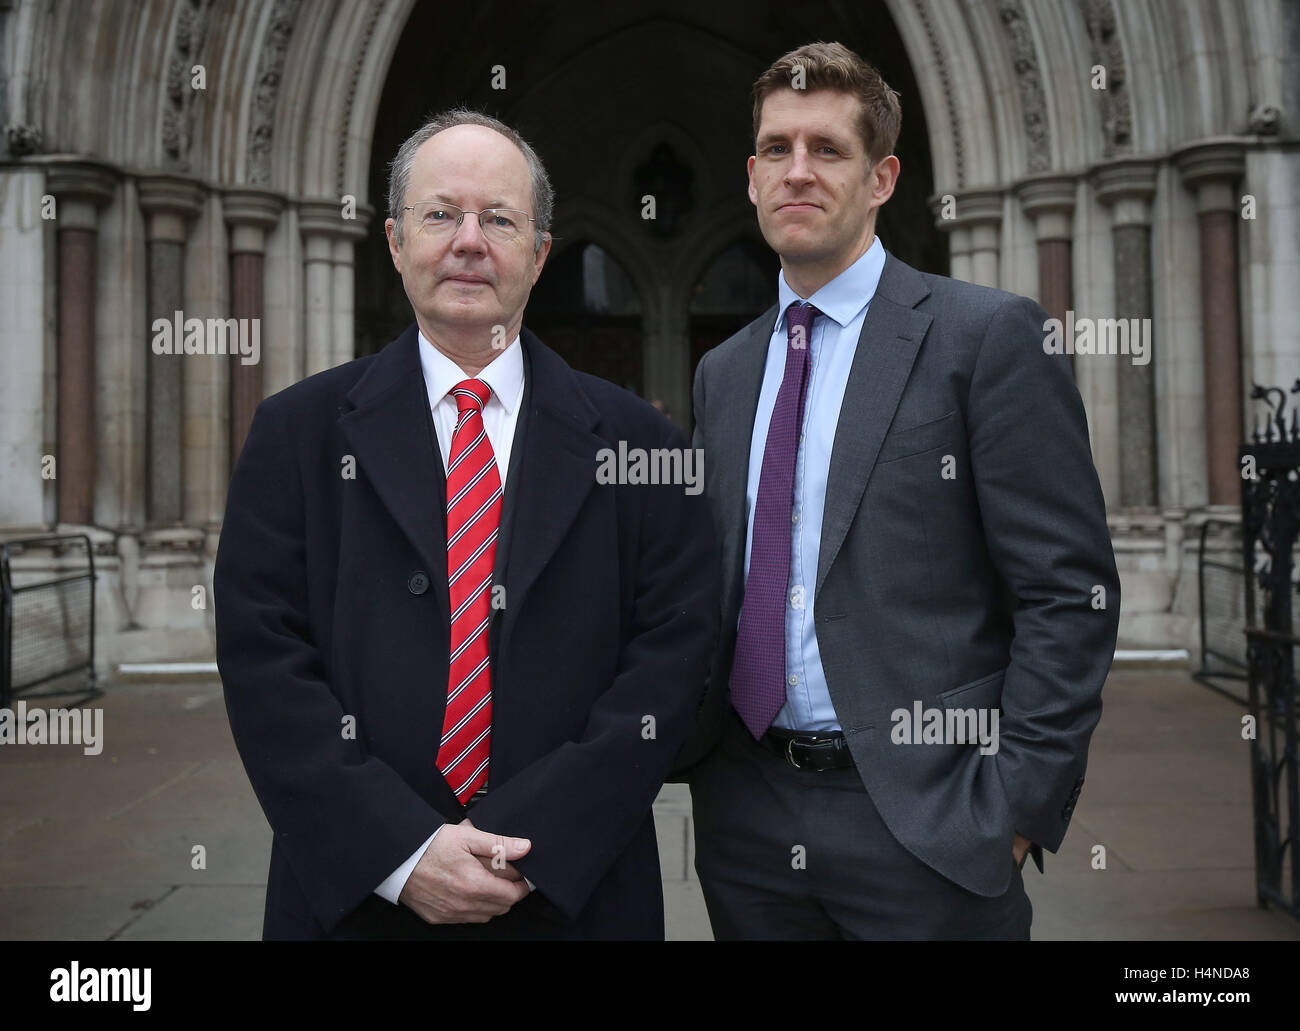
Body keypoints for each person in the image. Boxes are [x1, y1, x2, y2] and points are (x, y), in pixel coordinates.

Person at [214, 108, 718, 940]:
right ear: (393, 239)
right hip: (354, 898)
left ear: (540, 252)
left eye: (500, 219)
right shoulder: (296, 434)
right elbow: (263, 660)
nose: (469, 241)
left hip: (573, 896)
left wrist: (528, 845)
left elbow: (671, 664)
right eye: (441, 213)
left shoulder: (645, 447)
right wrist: (403, 854)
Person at [674, 41, 1120, 939]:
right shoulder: (724, 372)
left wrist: (1015, 810)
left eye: (827, 150)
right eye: (776, 148)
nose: (797, 171)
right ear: (752, 173)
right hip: (750, 820)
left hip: (928, 824)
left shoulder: (985, 338)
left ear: (881, 179)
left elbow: (1070, 593)